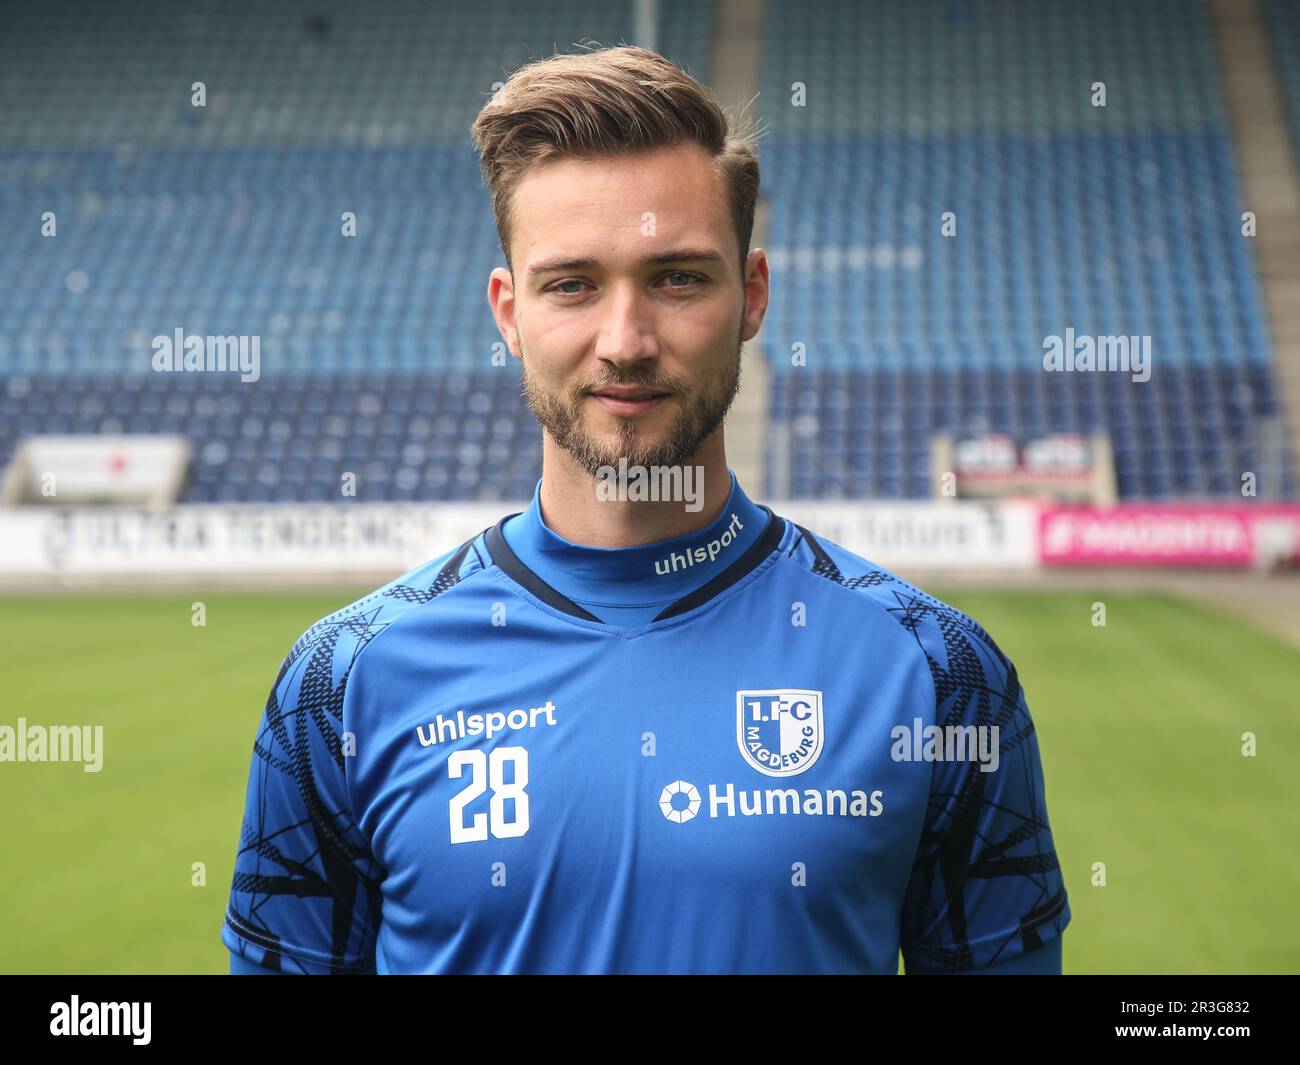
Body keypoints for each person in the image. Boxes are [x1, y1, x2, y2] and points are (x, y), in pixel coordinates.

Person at [223, 44, 1070, 974]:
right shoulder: (340, 685)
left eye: (676, 278)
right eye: (572, 284)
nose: (625, 342)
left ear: (751, 295)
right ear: (509, 312)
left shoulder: (940, 673)